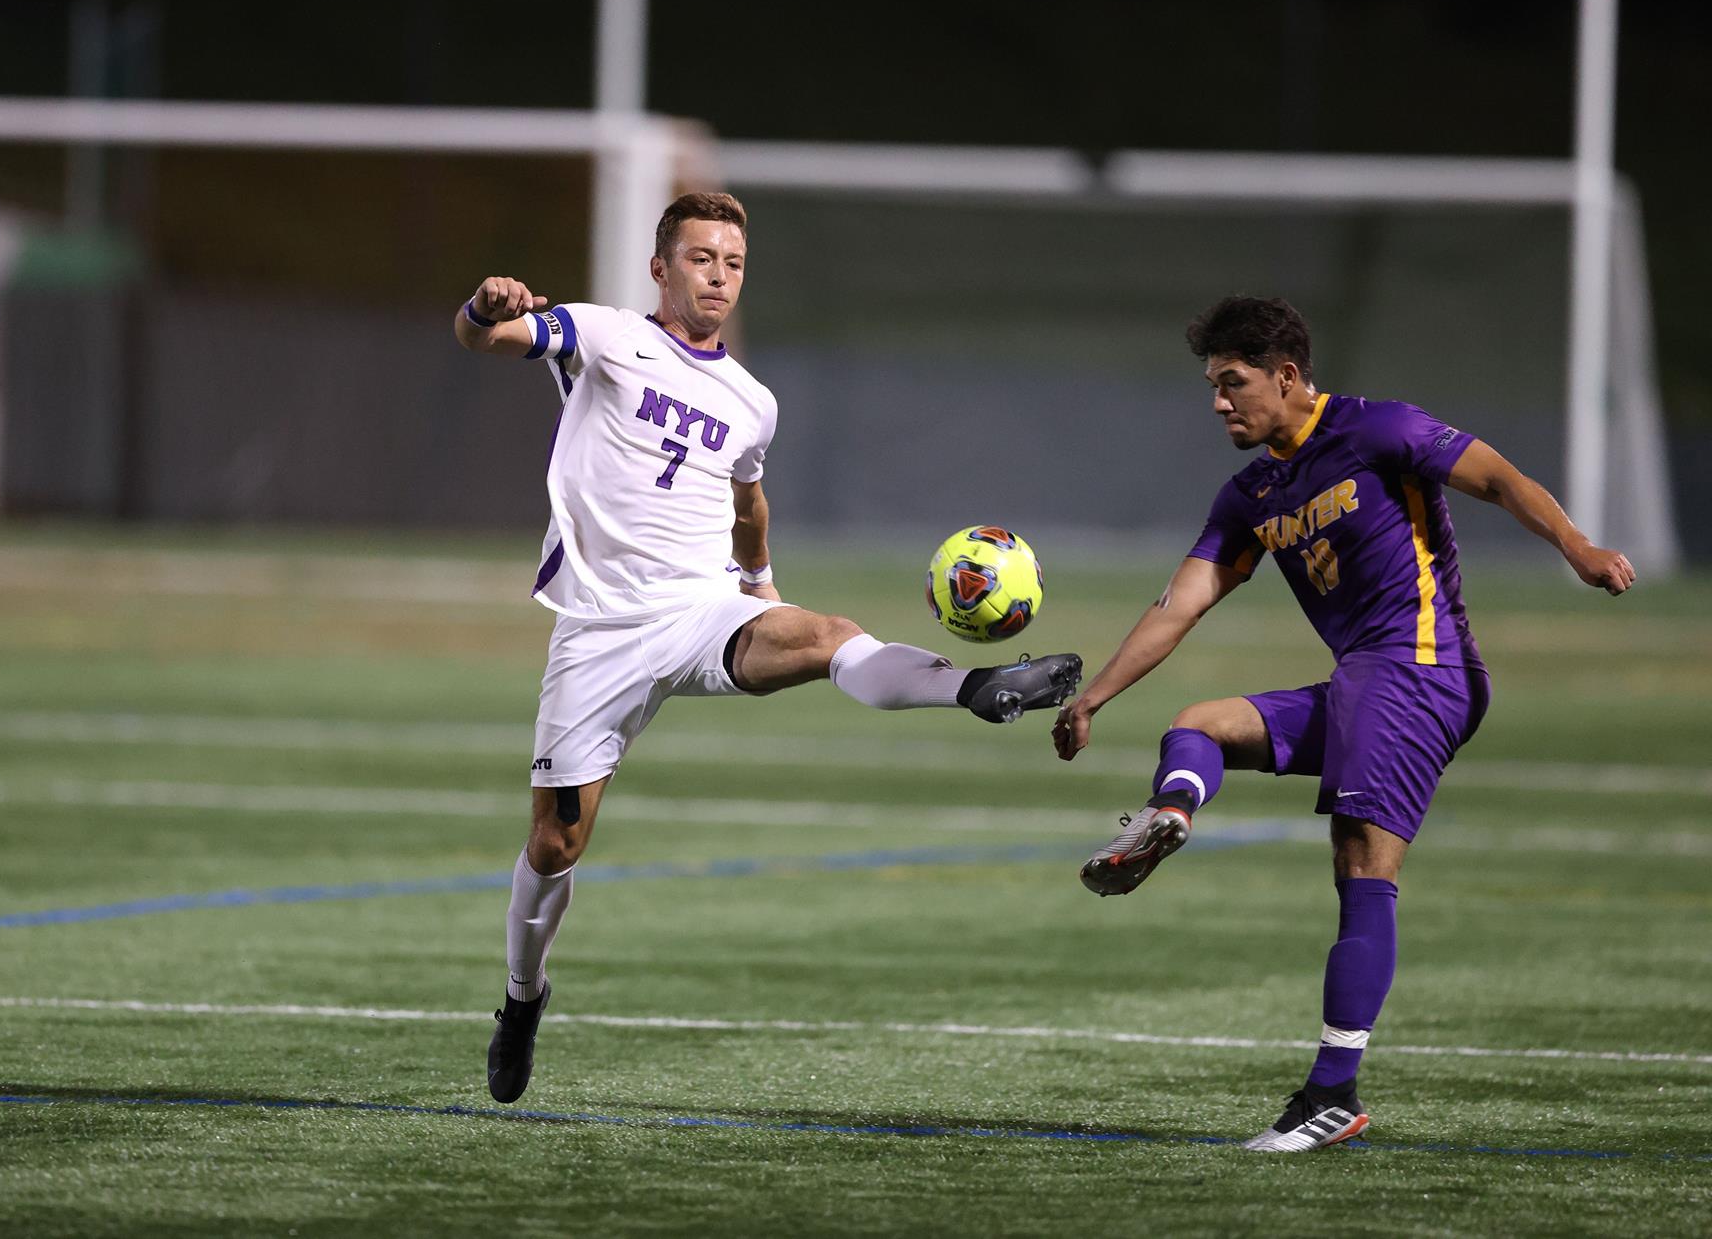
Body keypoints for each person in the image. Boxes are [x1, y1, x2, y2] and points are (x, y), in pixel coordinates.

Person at [455, 191, 1083, 1104]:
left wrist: (760, 587)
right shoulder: (602, 336)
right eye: (701, 257)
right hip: (599, 629)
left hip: (703, 609)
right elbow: (483, 339)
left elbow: (748, 500)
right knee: (555, 843)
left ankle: (976, 686)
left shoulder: (752, 401)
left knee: (828, 636)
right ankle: (522, 995)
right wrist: (485, 307)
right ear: (660, 267)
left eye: (734, 262)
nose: (719, 275)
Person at [1051, 295, 1635, 1153]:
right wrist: (1094, 697)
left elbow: (1500, 478)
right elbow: (1180, 604)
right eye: (1213, 384)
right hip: (1365, 681)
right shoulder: (1251, 494)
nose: (1218, 401)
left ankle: (1332, 1094)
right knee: (1200, 725)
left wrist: (1578, 547)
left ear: (1287, 375)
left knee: (1362, 866)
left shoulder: (1378, 429)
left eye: (1232, 382)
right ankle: (1170, 811)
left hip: (1421, 669)